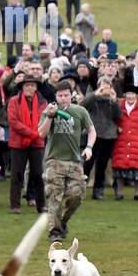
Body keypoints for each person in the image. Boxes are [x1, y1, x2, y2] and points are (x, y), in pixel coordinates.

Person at [39, 78, 96, 243]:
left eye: (66, 95)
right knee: (54, 197)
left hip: (74, 161)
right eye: (60, 95)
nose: (63, 98)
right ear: (55, 96)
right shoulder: (49, 111)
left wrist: (89, 147)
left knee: (77, 195)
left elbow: (92, 131)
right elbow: (41, 133)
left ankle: (62, 222)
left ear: (71, 95)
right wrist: (50, 116)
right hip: (54, 161)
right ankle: (54, 232)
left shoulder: (80, 111)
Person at [6, 75, 47, 214]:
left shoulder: (43, 102)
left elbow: (43, 120)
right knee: (17, 174)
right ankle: (15, 205)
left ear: (36, 87)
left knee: (38, 174)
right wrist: (32, 133)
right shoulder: (13, 101)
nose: (30, 88)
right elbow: (13, 121)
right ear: (22, 87)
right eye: (27, 85)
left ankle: (41, 205)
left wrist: (35, 135)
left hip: (37, 143)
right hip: (19, 143)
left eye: (32, 85)